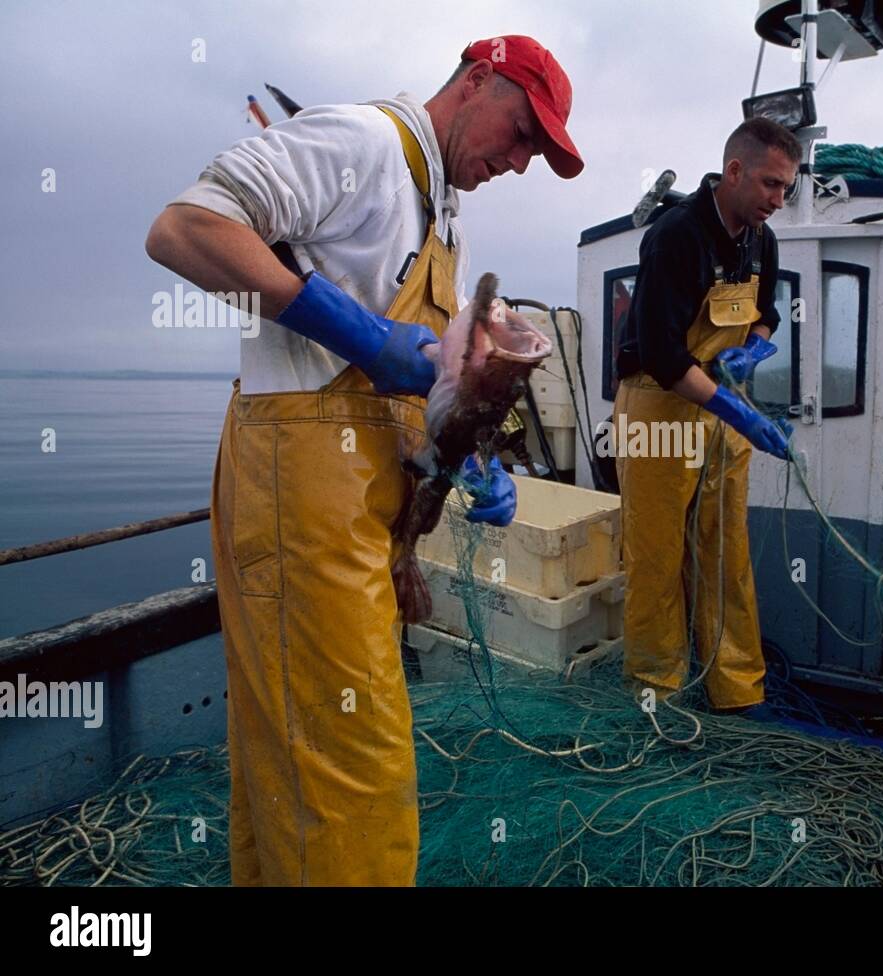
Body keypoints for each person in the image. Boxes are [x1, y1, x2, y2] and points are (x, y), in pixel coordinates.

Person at [144, 35, 583, 885]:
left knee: (294, 760)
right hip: (299, 499)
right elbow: (184, 230)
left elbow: (426, 387)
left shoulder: (442, 206)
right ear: (479, 78)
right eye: (524, 132)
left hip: (363, 517)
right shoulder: (365, 143)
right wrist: (360, 333)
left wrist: (473, 461)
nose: (522, 161)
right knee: (353, 770)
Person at [613, 116, 797, 713]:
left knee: (726, 550)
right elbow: (665, 356)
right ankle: (657, 692)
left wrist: (755, 347)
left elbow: (767, 310)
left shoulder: (761, 240)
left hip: (722, 402)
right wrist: (739, 414)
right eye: (771, 184)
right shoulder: (675, 235)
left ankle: (736, 687)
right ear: (735, 171)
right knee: (657, 555)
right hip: (660, 406)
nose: (779, 199)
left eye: (787, 188)